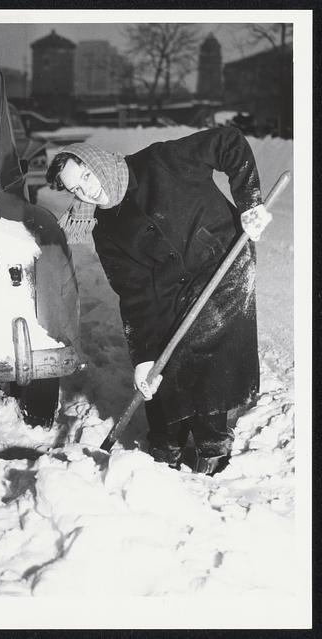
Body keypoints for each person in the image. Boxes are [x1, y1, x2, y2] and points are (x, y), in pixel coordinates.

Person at [45, 126, 273, 475]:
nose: (88, 190)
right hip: (172, 288)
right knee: (165, 359)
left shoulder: (161, 161)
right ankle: (167, 442)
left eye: (87, 176)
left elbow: (229, 142)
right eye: (76, 188)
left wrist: (250, 203)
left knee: (204, 347)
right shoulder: (106, 229)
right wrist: (144, 358)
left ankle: (212, 445)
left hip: (224, 258)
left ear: (97, 163)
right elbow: (134, 294)